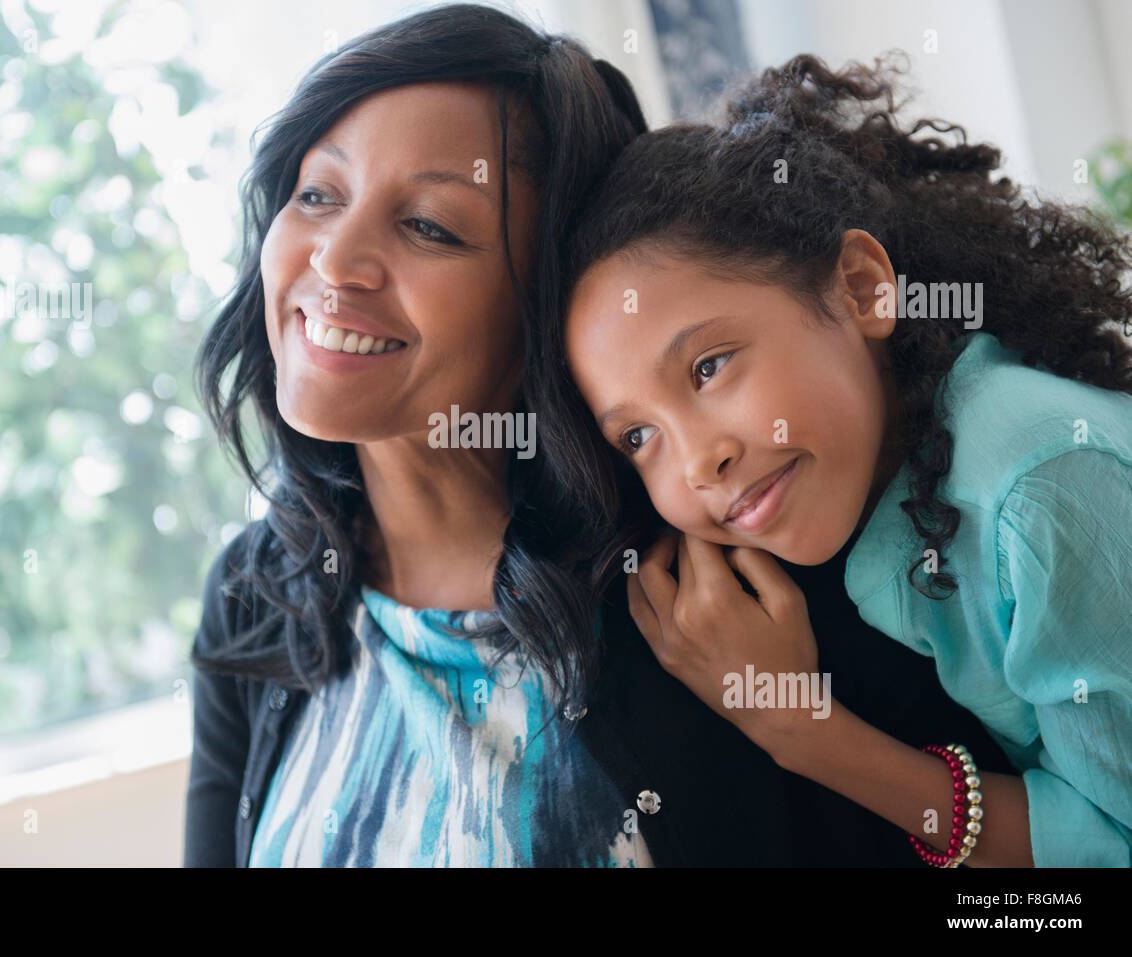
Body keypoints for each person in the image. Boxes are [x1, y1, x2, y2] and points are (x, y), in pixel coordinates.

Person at [185, 7, 1010, 867]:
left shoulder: (733, 590)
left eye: (430, 225)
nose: (334, 260)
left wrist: (799, 724)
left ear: (551, 307)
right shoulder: (257, 595)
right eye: (319, 194)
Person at [556, 53, 1132, 866]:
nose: (698, 462)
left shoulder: (1035, 486)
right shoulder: (896, 485)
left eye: (710, 367)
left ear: (862, 287)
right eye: (637, 436)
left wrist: (798, 726)